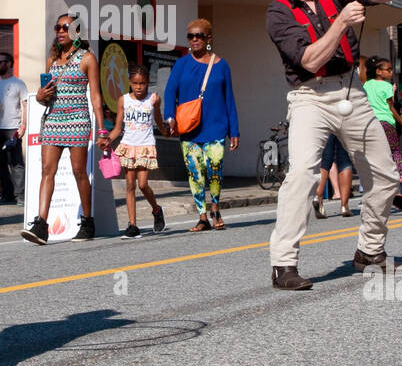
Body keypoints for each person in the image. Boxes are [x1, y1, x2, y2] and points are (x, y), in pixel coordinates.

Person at [263, 0, 402, 290]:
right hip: (309, 97)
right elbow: (308, 59)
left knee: (385, 176)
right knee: (303, 174)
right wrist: (340, 24)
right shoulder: (277, 13)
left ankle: (370, 251)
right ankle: (284, 264)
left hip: (351, 90)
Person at [21, 14, 107, 244]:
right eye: (57, 27)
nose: (60, 31)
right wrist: (39, 96)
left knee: (80, 172)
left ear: (77, 31)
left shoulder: (87, 59)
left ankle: (87, 222)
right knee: (47, 171)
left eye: (65, 27)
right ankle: (41, 224)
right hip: (53, 120)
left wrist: (101, 130)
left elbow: (96, 97)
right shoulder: (51, 60)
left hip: (78, 120)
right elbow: (44, 96)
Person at [163, 18, 240, 231]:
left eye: (199, 35)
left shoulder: (222, 65)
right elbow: (170, 92)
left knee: (214, 169)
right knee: (195, 172)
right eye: (190, 36)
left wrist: (234, 130)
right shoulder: (181, 64)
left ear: (208, 39)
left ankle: (215, 207)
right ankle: (202, 216)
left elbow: (229, 99)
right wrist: (169, 117)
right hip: (188, 128)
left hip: (216, 126)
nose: (194, 39)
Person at [106, 65, 167, 238]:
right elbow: (118, 128)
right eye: (135, 83)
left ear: (148, 83)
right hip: (128, 145)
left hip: (145, 145)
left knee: (142, 184)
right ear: (130, 82)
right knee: (130, 186)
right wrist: (107, 140)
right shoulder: (123, 100)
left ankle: (156, 209)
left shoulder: (153, 99)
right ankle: (132, 225)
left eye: (142, 83)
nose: (139, 87)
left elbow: (158, 120)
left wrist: (164, 131)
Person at [363, 57, 402, 182]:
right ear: (378, 71)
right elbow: (391, 108)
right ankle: (400, 176)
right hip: (386, 123)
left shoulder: (366, 84)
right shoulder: (387, 86)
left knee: (374, 153)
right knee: (395, 150)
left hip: (371, 123)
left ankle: (374, 179)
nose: (392, 72)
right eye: (389, 69)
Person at [0, 51, 27, 203]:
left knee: (16, 163)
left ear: (9, 63)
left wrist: (23, 126)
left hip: (13, 127)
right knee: (1, 163)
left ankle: (20, 196)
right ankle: (7, 194)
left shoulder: (19, 83)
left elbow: (24, 106)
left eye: (0, 62)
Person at [312, 135, 355, 219]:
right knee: (345, 161)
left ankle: (318, 197)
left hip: (326, 124)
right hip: (344, 123)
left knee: (325, 161)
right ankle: (344, 206)